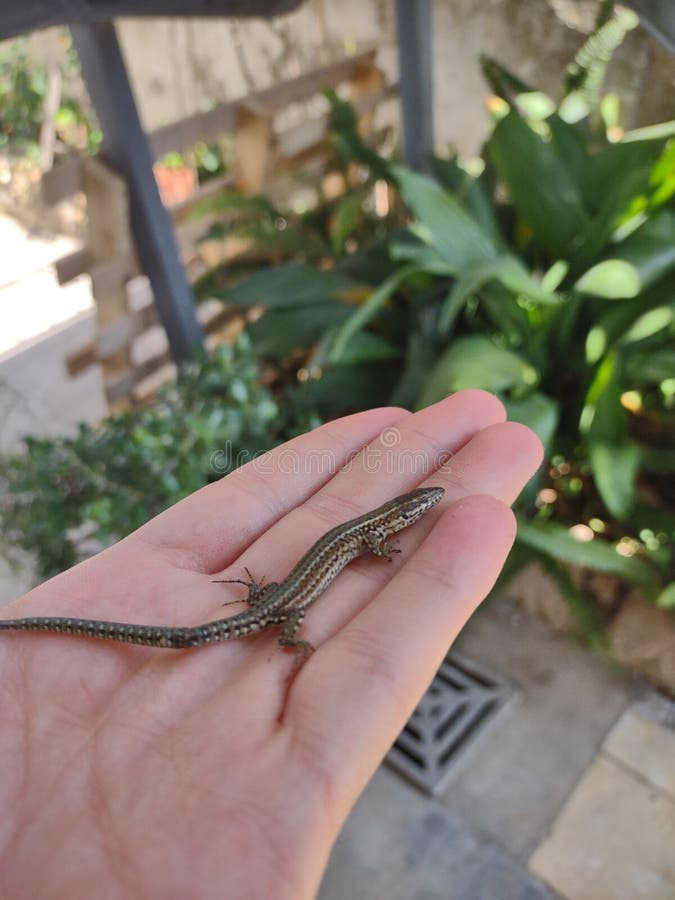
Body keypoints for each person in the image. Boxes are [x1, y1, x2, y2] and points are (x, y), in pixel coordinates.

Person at [0, 391, 541, 899]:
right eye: (417, 510)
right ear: (400, 515)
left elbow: (372, 538)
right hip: (283, 607)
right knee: (274, 618)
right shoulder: (373, 533)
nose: (422, 511)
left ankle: (274, 618)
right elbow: (376, 545)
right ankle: (287, 636)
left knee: (237, 618)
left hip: (277, 597)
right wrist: (293, 631)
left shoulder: (366, 529)